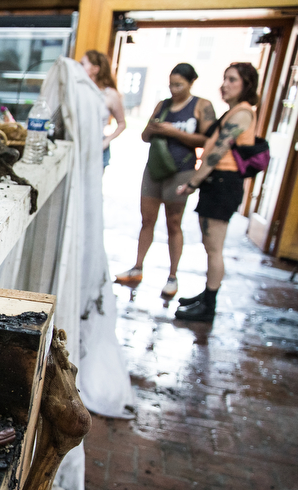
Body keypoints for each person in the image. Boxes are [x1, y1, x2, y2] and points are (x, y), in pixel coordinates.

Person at [114, 63, 215, 299]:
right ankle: (137, 267)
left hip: (181, 170)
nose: (174, 89)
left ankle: (172, 276)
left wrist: (175, 133)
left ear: (191, 83)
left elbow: (209, 140)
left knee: (174, 223)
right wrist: (154, 128)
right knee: (147, 220)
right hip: (155, 169)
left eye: (179, 85)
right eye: (171, 84)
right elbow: (144, 136)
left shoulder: (201, 106)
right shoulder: (163, 105)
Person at [173, 62, 261, 322]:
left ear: (246, 85)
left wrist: (193, 182)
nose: (225, 85)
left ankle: (208, 306)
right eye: (225, 79)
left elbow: (217, 152)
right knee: (209, 245)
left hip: (224, 182)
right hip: (217, 182)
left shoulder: (242, 113)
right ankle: (206, 295)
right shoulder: (233, 111)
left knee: (214, 248)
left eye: (232, 80)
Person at [81, 50, 126, 169]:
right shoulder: (81, 92)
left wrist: (106, 141)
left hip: (97, 149)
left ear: (95, 69)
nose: (79, 68)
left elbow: (122, 124)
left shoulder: (110, 94)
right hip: (79, 146)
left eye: (83, 64)